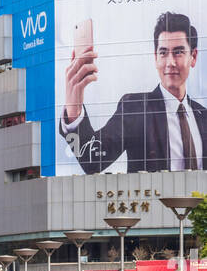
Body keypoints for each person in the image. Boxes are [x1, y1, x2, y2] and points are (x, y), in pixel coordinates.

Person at [60, 10, 207, 173]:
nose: (170, 62)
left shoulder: (204, 117)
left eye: (178, 52)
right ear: (155, 57)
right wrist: (73, 108)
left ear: (193, 57)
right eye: (163, 53)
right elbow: (91, 161)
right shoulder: (135, 109)